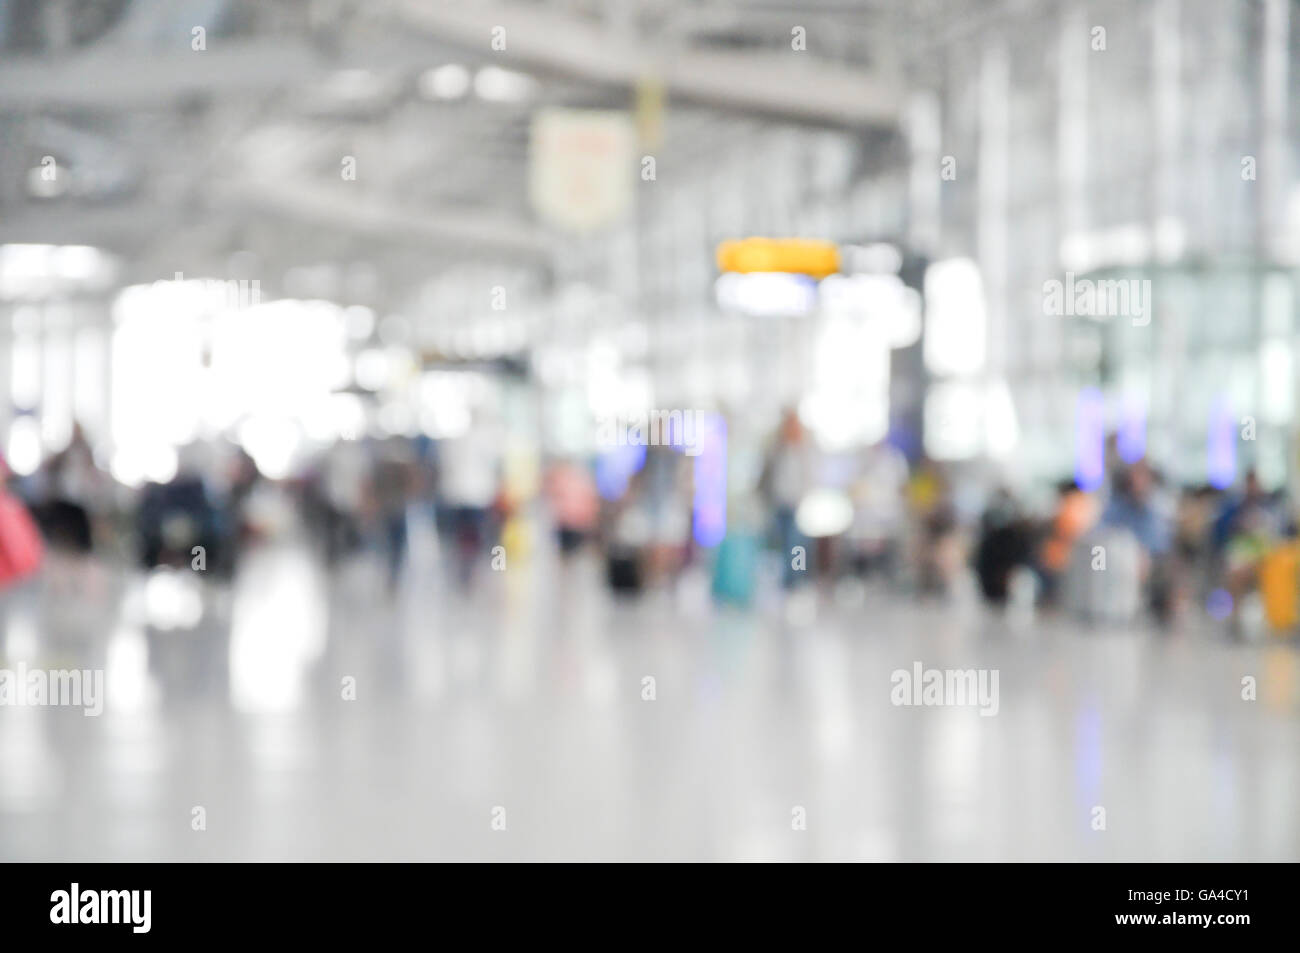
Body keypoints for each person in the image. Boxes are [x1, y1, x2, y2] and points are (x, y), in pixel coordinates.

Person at [759, 408, 816, 589]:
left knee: (796, 546)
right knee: (780, 545)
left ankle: (795, 581)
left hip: (795, 505)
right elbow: (768, 477)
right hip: (778, 504)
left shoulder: (803, 452)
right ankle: (782, 581)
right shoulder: (777, 450)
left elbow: (808, 478)